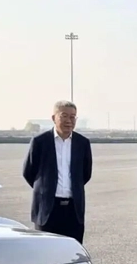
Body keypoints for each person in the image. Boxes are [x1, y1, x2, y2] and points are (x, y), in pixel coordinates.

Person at [23, 100, 92, 244]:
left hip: (73, 211)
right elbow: (28, 172)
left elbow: (85, 174)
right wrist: (45, 190)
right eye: (64, 116)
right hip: (47, 210)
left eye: (72, 117)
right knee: (45, 251)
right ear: (54, 118)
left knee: (72, 251)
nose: (69, 121)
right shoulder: (40, 142)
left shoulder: (82, 143)